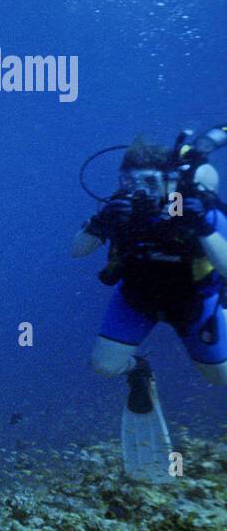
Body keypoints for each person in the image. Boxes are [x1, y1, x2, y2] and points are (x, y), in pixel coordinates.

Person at [73, 136, 227, 387]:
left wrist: (201, 227)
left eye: (148, 181)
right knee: (104, 367)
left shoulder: (196, 208)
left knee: (221, 378)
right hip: (137, 296)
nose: (138, 189)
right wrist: (98, 224)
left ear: (170, 181)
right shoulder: (119, 211)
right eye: (129, 181)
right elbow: (77, 251)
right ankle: (139, 370)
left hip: (195, 298)